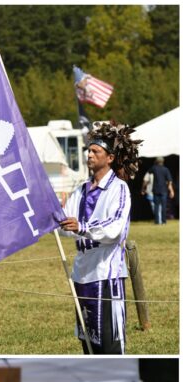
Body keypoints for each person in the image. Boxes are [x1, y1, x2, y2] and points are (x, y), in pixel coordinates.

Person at [58, 121, 141, 355]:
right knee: (88, 343)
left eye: (96, 151)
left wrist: (82, 227)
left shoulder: (119, 189)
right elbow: (67, 227)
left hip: (107, 275)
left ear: (110, 158)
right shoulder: (81, 190)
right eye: (89, 150)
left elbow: (115, 228)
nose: (89, 154)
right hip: (82, 274)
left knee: (109, 343)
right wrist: (57, 217)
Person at [143, 156, 174, 225]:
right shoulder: (166, 169)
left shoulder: (154, 168)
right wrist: (171, 191)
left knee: (156, 206)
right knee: (164, 206)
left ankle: (157, 221)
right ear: (163, 161)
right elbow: (169, 181)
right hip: (164, 190)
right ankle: (164, 221)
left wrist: (143, 188)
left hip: (156, 190)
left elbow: (147, 175)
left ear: (156, 161)